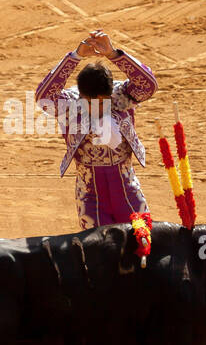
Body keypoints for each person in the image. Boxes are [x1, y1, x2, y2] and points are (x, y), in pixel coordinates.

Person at [35, 30, 157, 230]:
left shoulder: (121, 96)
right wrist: (74, 56)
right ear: (81, 95)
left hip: (127, 189)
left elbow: (149, 84)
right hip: (90, 194)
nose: (97, 109)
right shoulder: (71, 104)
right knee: (99, 252)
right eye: (89, 103)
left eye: (102, 103)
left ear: (111, 94)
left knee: (142, 242)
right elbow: (43, 97)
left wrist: (113, 54)